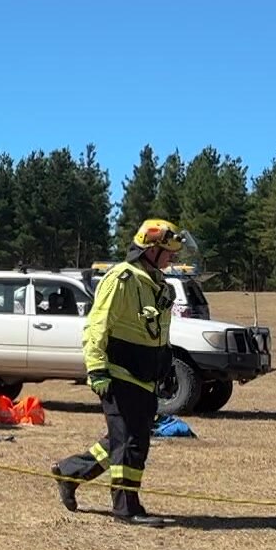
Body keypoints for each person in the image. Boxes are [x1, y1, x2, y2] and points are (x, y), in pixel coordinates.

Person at [51, 219, 182, 525]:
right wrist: (96, 369)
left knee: (121, 439)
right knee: (132, 443)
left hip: (144, 377)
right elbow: (97, 326)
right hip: (119, 374)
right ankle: (126, 508)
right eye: (167, 251)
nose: (172, 258)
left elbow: (157, 331)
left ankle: (70, 472)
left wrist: (165, 365)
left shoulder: (156, 283)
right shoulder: (122, 279)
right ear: (150, 249)